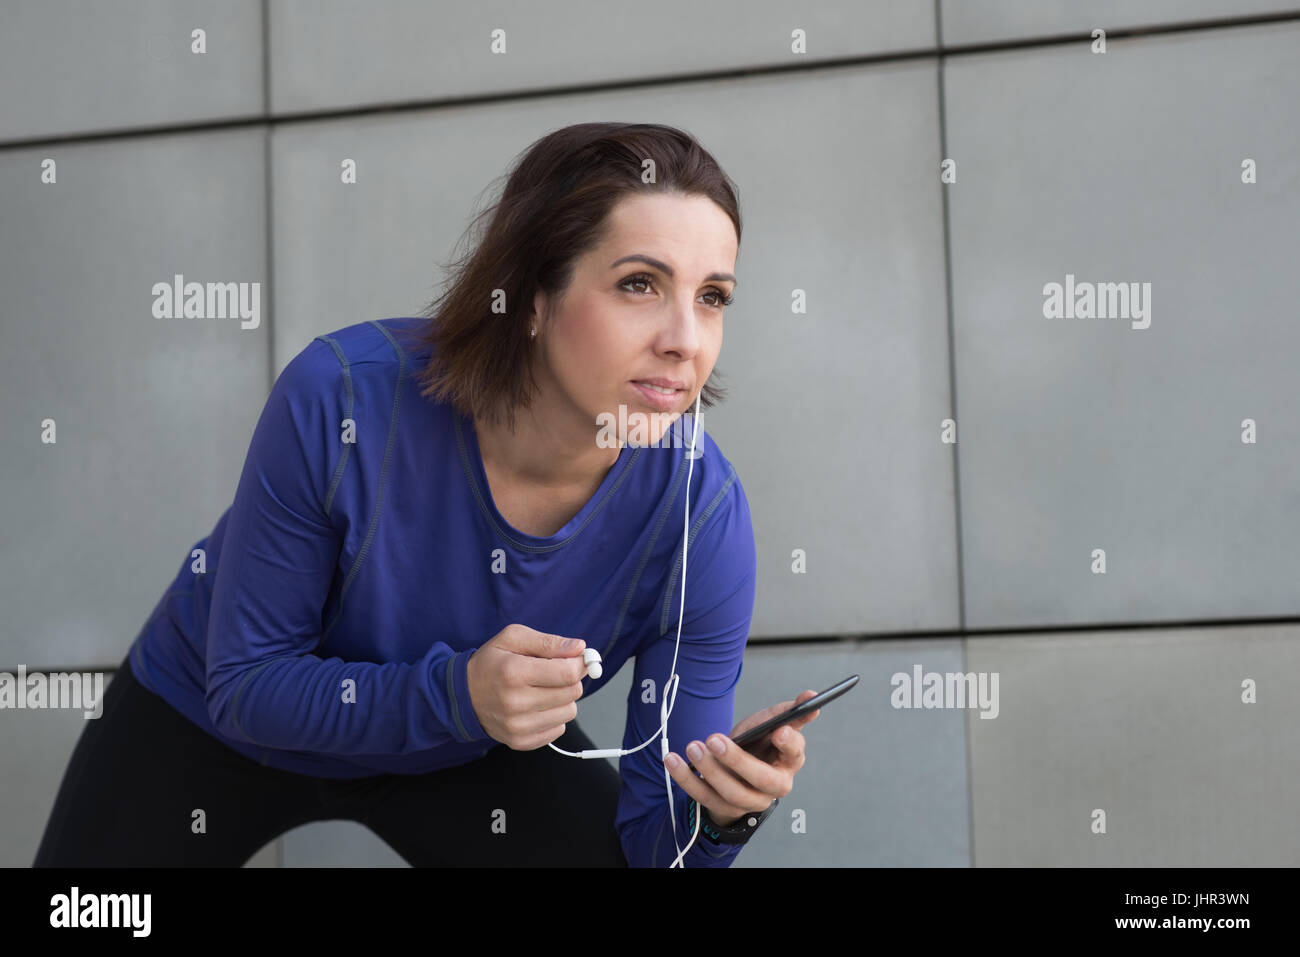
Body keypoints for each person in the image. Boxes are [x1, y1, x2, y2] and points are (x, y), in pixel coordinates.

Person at [33, 122, 819, 868]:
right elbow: (244, 687)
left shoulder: (699, 513)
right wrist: (459, 694)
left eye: (713, 296)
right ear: (533, 299)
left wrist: (716, 814)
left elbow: (659, 850)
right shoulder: (341, 397)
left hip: (469, 742)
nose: (686, 338)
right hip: (220, 722)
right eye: (640, 284)